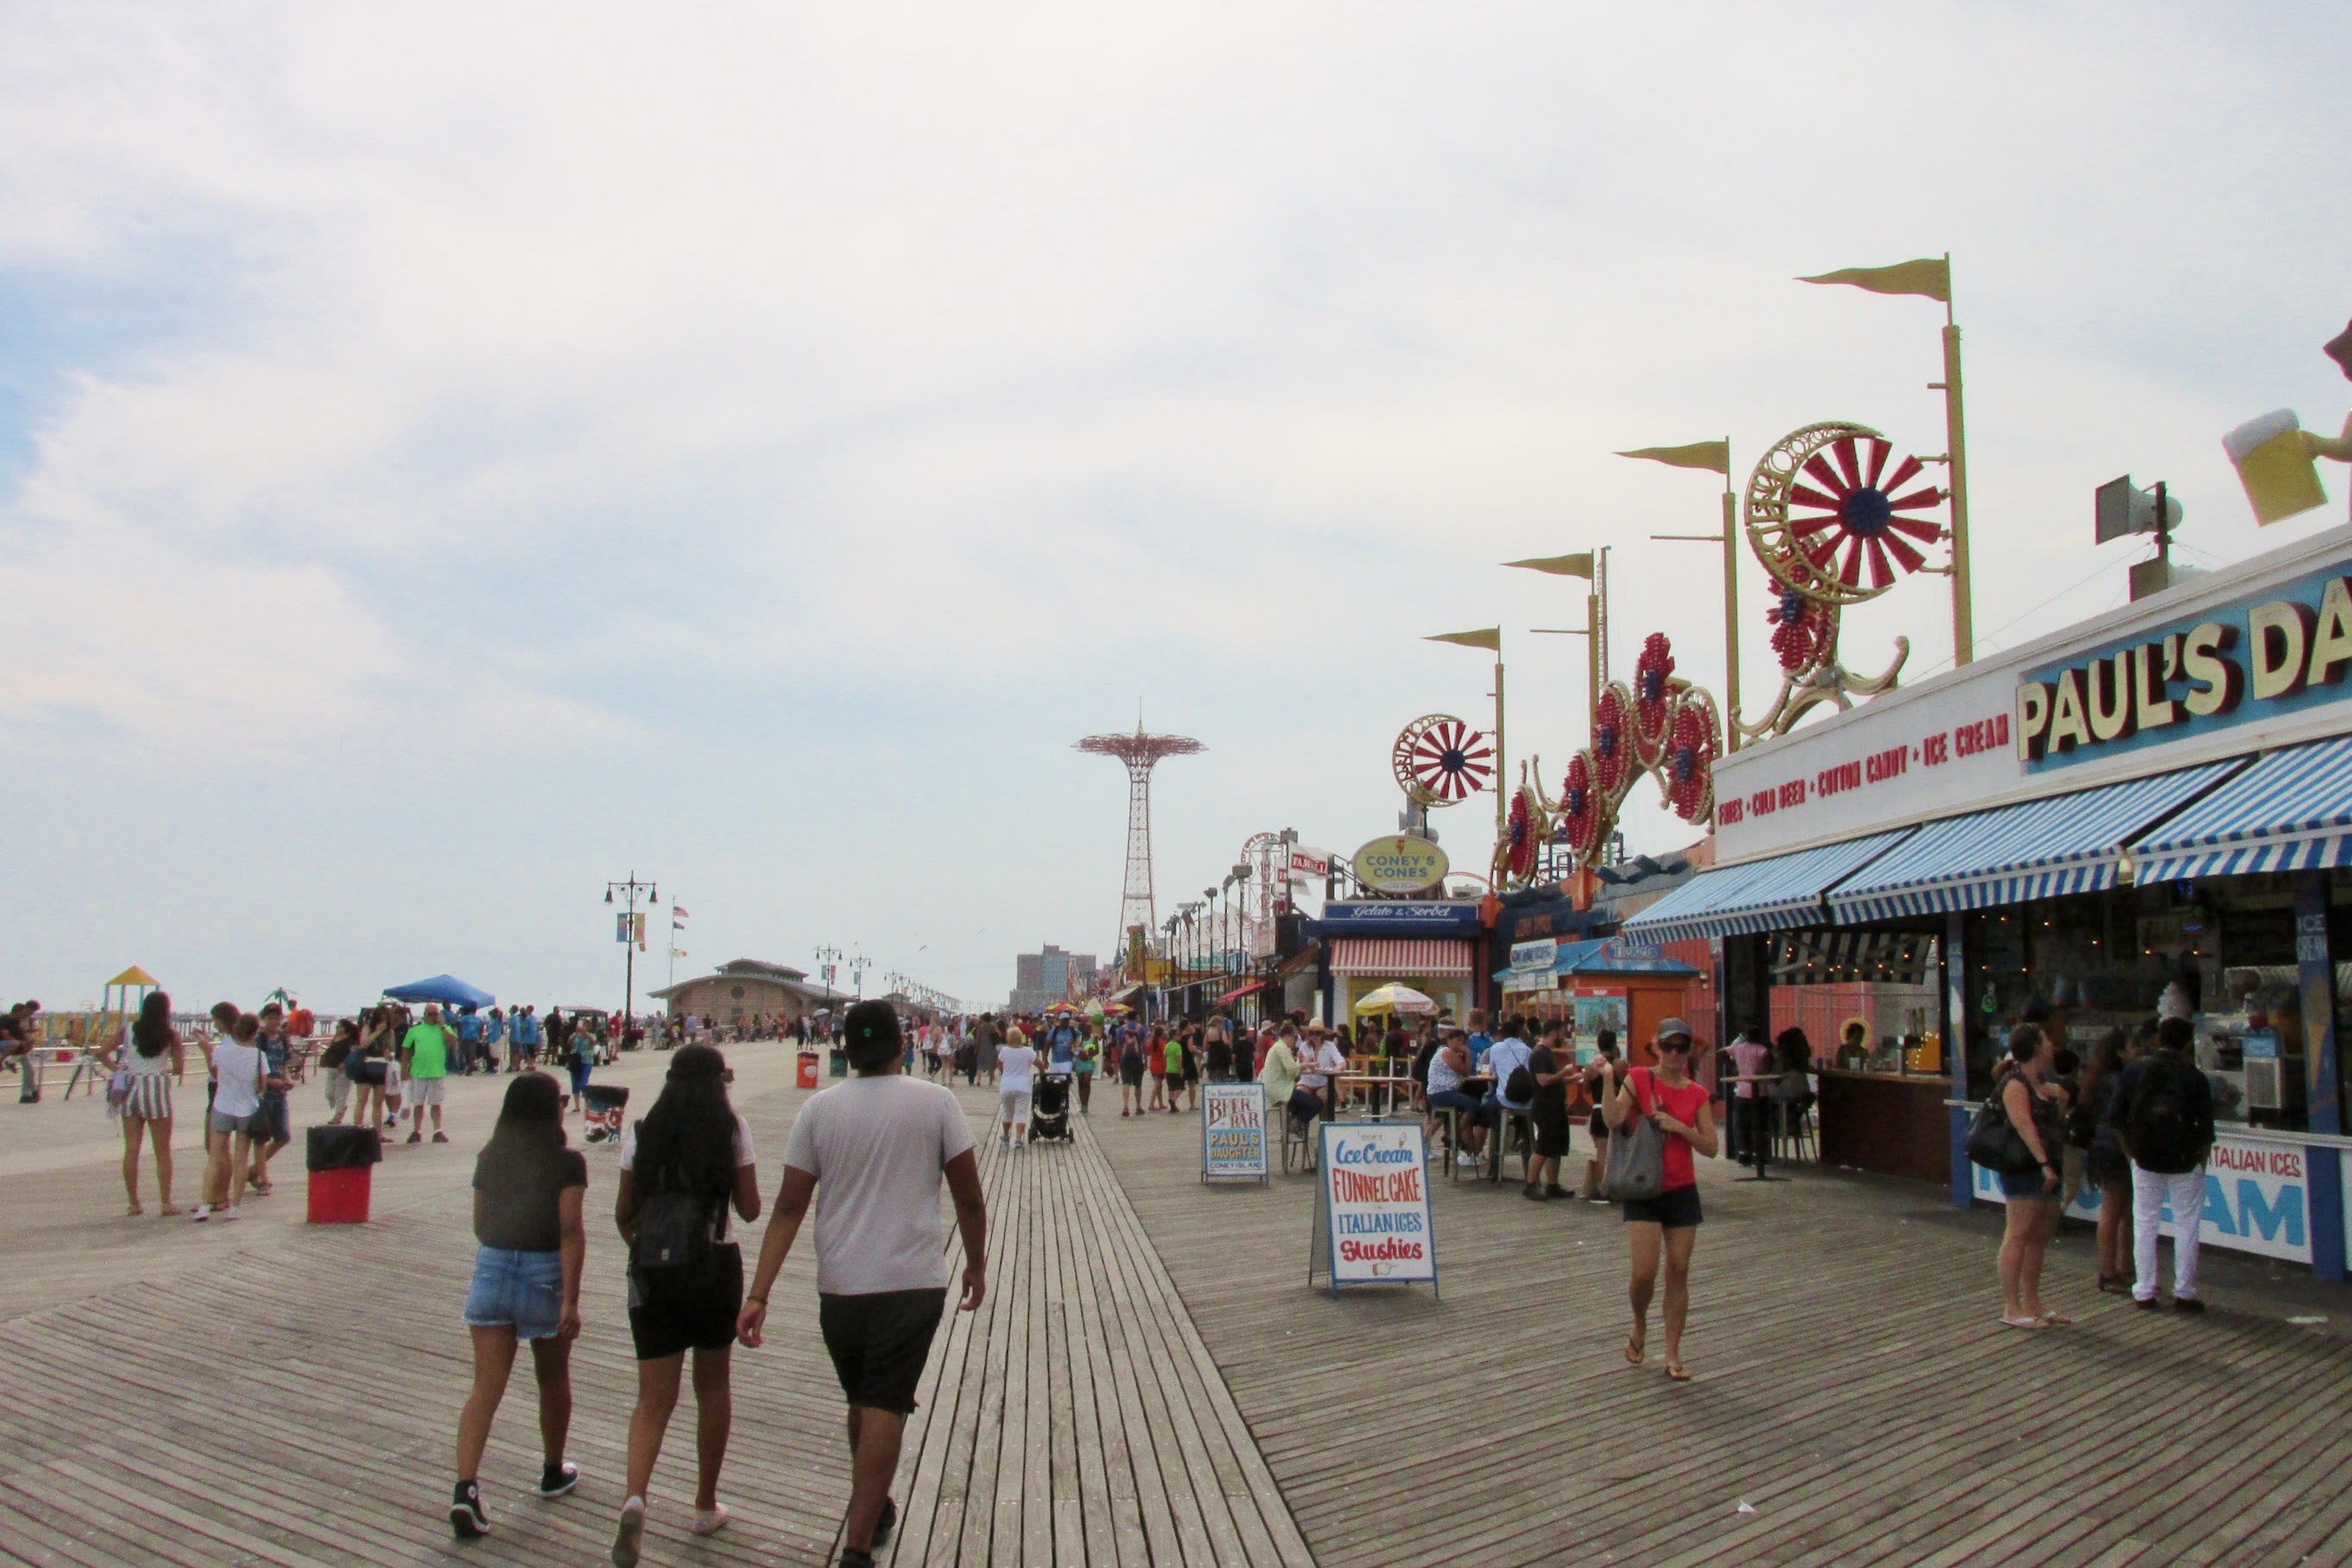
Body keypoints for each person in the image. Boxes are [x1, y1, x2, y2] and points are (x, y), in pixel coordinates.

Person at [739, 1000, 988, 1568]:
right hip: (912, 1282)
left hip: (841, 1285)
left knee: (866, 1398)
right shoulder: (936, 1102)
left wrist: (758, 1294)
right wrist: (976, 1263)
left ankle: (872, 1514)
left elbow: (788, 1207)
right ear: (901, 1046)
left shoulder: (817, 1111)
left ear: (846, 1052)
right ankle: (855, 1550)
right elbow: (969, 1197)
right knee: (883, 1403)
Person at [610, 1045, 762, 1564]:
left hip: (654, 1271)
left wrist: (654, 1246)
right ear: (719, 1081)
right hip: (714, 1266)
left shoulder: (642, 1131)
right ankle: (703, 1504)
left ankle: (635, 1498)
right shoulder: (732, 1129)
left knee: (652, 1398)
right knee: (712, 1386)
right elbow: (750, 1209)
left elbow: (623, 1213)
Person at [449, 1073, 586, 1540]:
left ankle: (466, 1488)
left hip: (492, 1266)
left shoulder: (490, 1156)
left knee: (485, 1387)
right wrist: (571, 1299)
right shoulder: (567, 1163)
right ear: (551, 1109)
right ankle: (552, 1470)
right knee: (553, 1377)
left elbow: (479, 1222)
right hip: (543, 1271)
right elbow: (570, 1230)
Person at [1603, 1019, 1717, 1382]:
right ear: (1656, 1046)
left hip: (1682, 1189)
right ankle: (1639, 1322)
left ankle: (1672, 1353)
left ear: (1689, 1052)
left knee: (1679, 1270)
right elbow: (1613, 1119)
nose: (1674, 1054)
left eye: (1681, 1048)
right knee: (1644, 1273)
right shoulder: (1638, 1078)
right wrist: (1606, 1079)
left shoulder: (1697, 1093)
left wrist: (1679, 1127)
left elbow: (1712, 1147)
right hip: (1644, 1186)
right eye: (1668, 1046)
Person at [2109, 1015, 2217, 1314]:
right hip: (2185, 1160)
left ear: (2158, 1039)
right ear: (2187, 1044)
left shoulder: (2134, 1071)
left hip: (2145, 1158)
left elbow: (2115, 1119)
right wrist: (2201, 1162)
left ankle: (2144, 1290)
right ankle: (2185, 1292)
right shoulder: (2194, 1077)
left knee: (2145, 1222)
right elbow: (2206, 1128)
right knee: (2187, 1225)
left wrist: (2131, 1154)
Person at [1992, 1023, 2071, 1329]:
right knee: (2018, 1233)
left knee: (2039, 1235)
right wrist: (2044, 1164)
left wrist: (2062, 1100)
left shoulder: (2043, 1081)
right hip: (2024, 1167)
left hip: (2050, 1163)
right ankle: (2012, 1306)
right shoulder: (2015, 1083)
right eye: (2046, 1040)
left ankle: (2033, 1301)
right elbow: (2024, 1126)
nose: (2051, 1044)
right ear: (2036, 1046)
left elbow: (2054, 1124)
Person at [103, 990, 184, 1216]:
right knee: (162, 1150)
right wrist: (165, 1070)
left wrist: (117, 1069)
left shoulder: (128, 1029)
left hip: (132, 1085)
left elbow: (102, 1052)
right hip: (156, 1086)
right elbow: (179, 1068)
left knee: (131, 1149)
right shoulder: (170, 1034)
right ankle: (165, 1202)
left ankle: (133, 1203)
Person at [2082, 1025, 2142, 1293]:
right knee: (2114, 1208)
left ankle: (2124, 1266)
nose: (2137, 1051)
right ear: (2119, 1052)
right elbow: (2119, 1119)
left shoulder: (2100, 1079)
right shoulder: (2117, 1081)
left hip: (2105, 1147)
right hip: (2114, 1149)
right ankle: (2109, 1271)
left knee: (2124, 1209)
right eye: (2132, 1046)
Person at [193, 1014, 267, 1223]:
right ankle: (235, 1207)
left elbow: (215, 1073)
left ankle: (205, 1205)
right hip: (248, 1109)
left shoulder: (222, 1051)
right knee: (241, 1159)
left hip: (222, 1105)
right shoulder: (259, 1056)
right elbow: (262, 1086)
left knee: (214, 1157)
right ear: (254, 1032)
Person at [1424, 1026, 1489, 1169]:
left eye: (1463, 1041)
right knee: (1473, 1105)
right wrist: (1468, 1053)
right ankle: (1453, 1135)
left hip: (1445, 1092)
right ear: (1449, 1040)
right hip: (1442, 1093)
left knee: (1458, 1111)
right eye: (1458, 1040)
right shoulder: (1447, 1052)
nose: (1461, 1044)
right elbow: (1465, 1072)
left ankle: (1454, 1138)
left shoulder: (1452, 1054)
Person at [1525, 1019, 1575, 1200]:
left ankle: (1553, 1185)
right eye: (1561, 1033)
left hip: (1555, 1105)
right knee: (1543, 1147)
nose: (1563, 1037)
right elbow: (1543, 1080)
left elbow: (1552, 1079)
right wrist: (1564, 1073)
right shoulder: (1539, 1054)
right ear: (1553, 1032)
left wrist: (1570, 1079)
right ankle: (1530, 1185)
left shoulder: (1547, 1053)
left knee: (1555, 1147)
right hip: (1545, 1106)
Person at [248, 1002, 294, 1192]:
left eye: (277, 1018)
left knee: (283, 1136)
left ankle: (254, 1170)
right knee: (261, 1138)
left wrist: (287, 1079)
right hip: (262, 1095)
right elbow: (254, 1069)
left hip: (279, 1095)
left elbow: (284, 1065)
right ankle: (262, 1178)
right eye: (270, 1018)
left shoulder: (282, 1039)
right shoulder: (259, 1040)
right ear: (264, 1019)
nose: (274, 1022)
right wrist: (269, 1082)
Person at [405, 1004, 455, 1144]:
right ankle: (416, 1130)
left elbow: (453, 1042)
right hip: (418, 1071)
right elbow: (406, 1049)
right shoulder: (415, 1030)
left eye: (435, 1014)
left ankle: (438, 1130)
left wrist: (442, 1027)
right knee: (418, 1103)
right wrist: (405, 1068)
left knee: (436, 1103)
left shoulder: (444, 1029)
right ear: (425, 1015)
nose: (433, 1017)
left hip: (436, 1071)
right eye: (430, 1014)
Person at [1728, 1029, 1772, 1167]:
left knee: (1742, 1124)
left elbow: (1721, 1053)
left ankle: (1744, 1155)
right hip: (1759, 1092)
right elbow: (1768, 1059)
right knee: (1759, 1125)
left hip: (1741, 1090)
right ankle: (1759, 1155)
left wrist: (1733, 1067)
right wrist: (1763, 1070)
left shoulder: (1738, 1047)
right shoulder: (1761, 1049)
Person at [996, 1027, 1038, 1147]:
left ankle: (1005, 1137)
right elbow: (1039, 1063)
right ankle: (1018, 1139)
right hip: (1023, 1086)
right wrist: (1042, 1072)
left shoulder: (1004, 1051)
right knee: (1021, 1113)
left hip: (1007, 1085)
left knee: (1007, 1112)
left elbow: (999, 1065)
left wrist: (1005, 1072)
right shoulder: (1028, 1051)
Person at [320, 1018, 361, 1126]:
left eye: (339, 1026)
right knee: (329, 1093)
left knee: (341, 1093)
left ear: (344, 1028)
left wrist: (345, 1063)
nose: (337, 1028)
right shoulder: (336, 1038)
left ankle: (338, 1115)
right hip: (331, 1068)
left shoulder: (351, 1040)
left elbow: (354, 1054)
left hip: (344, 1071)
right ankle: (341, 1107)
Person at [1117, 1025, 1146, 1117]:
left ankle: (1126, 1106)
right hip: (1137, 1059)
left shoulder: (1121, 1029)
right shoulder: (1141, 1029)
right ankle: (1138, 1107)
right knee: (1138, 1084)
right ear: (1137, 1018)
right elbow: (1144, 1045)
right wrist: (1145, 1059)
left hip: (1125, 1060)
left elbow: (1118, 1044)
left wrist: (1121, 1056)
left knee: (1126, 1083)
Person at [1071, 1024, 1099, 1115]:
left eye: (1090, 1028)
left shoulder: (1093, 1039)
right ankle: (1083, 1105)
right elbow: (1075, 1049)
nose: (1090, 1030)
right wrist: (1079, 1052)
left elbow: (1097, 1051)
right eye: (1088, 1028)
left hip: (1089, 1062)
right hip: (1080, 1062)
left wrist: (1089, 1053)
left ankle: (1086, 1104)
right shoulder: (1079, 1039)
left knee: (1087, 1082)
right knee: (1081, 1083)